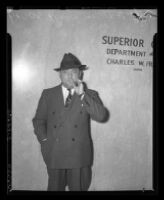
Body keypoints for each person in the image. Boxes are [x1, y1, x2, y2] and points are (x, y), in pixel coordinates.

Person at [32, 53, 108, 191]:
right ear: (60, 75)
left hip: (78, 155)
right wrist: (44, 140)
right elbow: (38, 120)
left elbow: (101, 116)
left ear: (80, 74)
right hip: (54, 152)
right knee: (55, 188)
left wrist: (82, 95)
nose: (70, 76)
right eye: (65, 72)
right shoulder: (48, 94)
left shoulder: (90, 94)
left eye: (73, 72)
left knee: (78, 188)